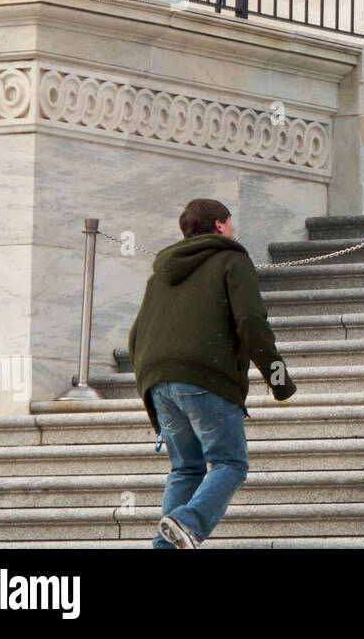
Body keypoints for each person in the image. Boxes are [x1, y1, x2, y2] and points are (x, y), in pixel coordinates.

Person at [128, 199, 296, 549]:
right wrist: (278, 380)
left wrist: (150, 389)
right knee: (229, 464)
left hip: (158, 380)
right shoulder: (232, 259)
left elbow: (135, 335)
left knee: (186, 469)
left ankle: (165, 546)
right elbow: (252, 322)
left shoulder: (161, 271)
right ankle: (189, 521)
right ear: (219, 225)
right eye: (230, 221)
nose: (233, 228)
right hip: (207, 379)